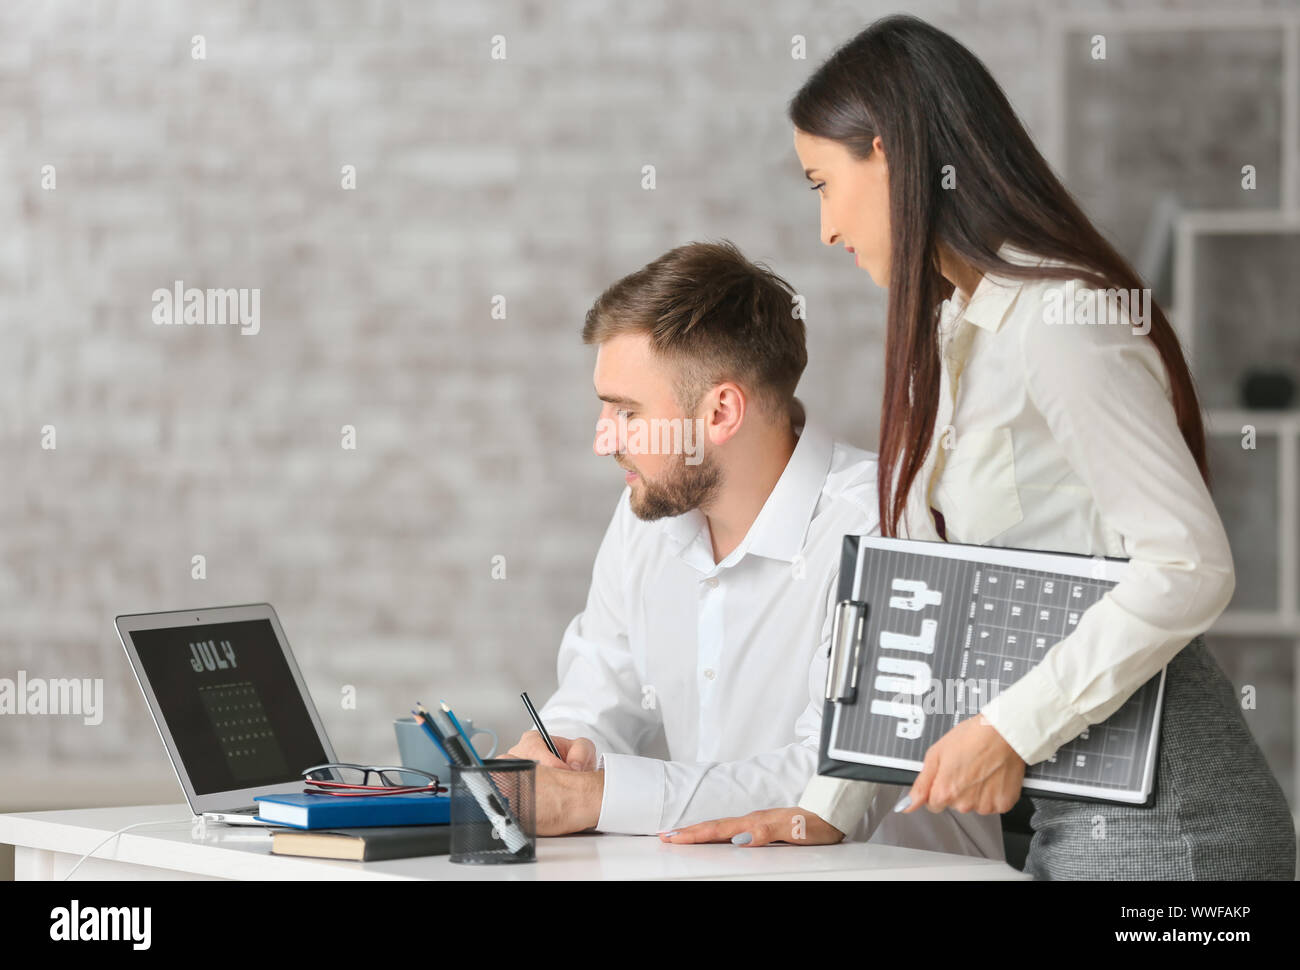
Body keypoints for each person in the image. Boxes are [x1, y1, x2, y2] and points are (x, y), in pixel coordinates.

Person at [659, 15, 1296, 880]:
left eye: (820, 183)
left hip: (1173, 829)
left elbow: (1188, 566)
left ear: (887, 155)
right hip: (1061, 822)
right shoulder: (955, 336)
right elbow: (933, 615)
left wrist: (1006, 729)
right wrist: (825, 811)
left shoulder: (1061, 323)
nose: (826, 230)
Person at [505, 239, 1002, 859]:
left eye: (628, 413)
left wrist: (594, 799)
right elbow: (601, 686)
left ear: (720, 412)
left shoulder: (889, 528)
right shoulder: (647, 518)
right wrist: (556, 754)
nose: (605, 441)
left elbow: (830, 779)